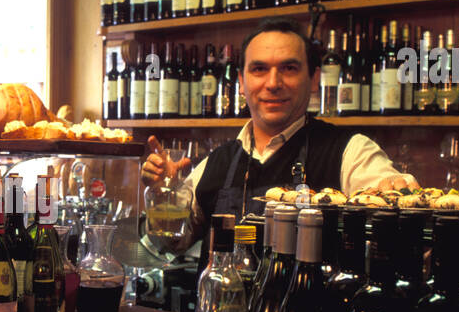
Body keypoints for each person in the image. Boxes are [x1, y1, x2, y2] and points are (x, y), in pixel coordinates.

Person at [141, 19, 415, 280]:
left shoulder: (351, 152)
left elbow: (401, 208)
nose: (273, 83)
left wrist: (398, 192)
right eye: (259, 69)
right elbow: (172, 244)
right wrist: (164, 194)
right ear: (242, 80)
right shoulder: (215, 163)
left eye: (289, 68)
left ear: (314, 78)